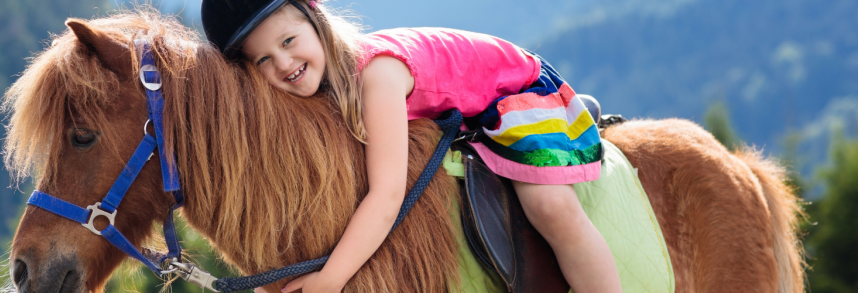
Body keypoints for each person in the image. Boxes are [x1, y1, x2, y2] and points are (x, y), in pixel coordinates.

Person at [200, 0, 621, 292]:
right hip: (464, 111)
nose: (283, 63)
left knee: (551, 208)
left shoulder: (376, 76)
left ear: (316, 20)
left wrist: (331, 278)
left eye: (288, 41)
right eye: (263, 60)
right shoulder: (311, 87)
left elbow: (387, 196)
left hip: (514, 93)